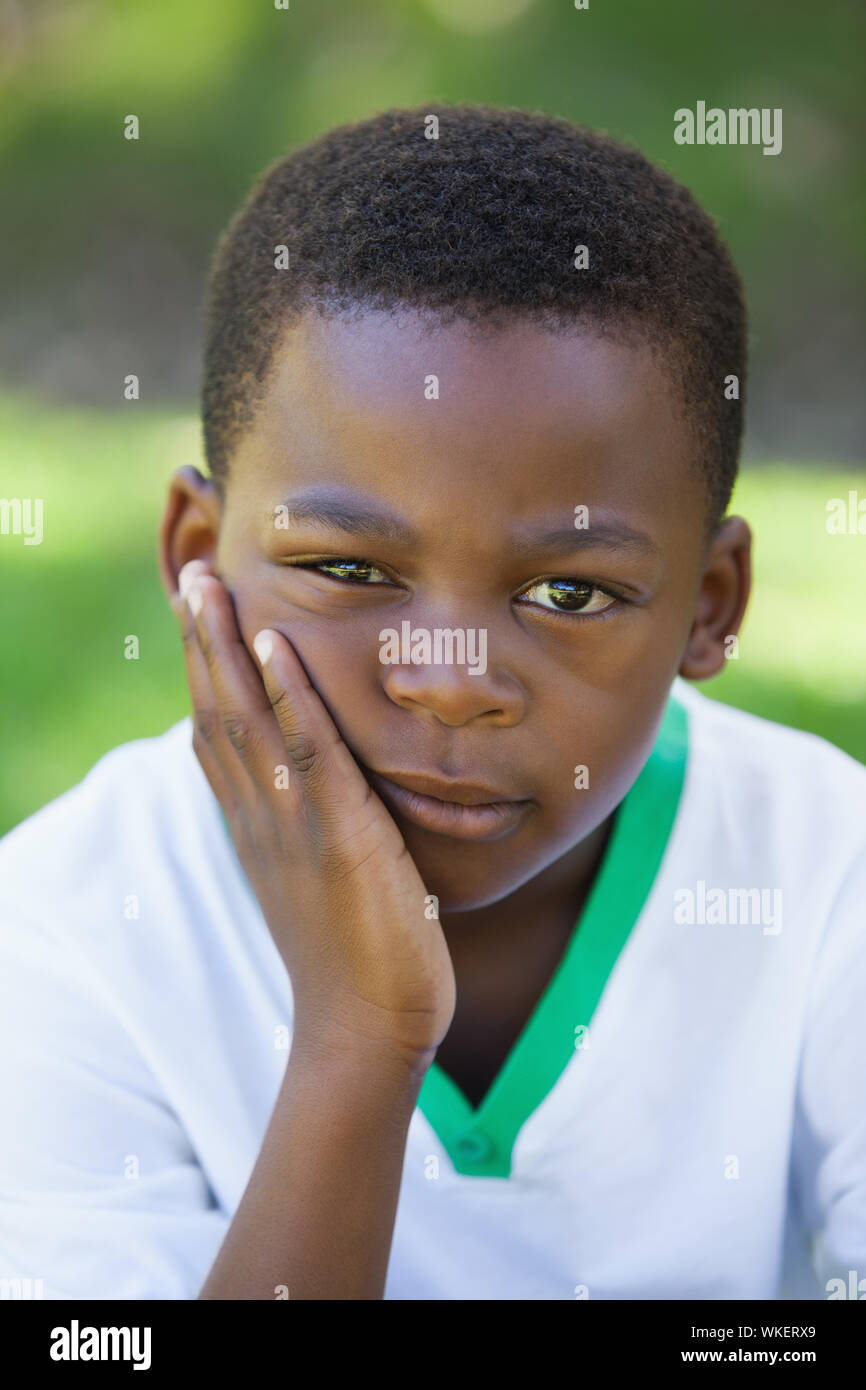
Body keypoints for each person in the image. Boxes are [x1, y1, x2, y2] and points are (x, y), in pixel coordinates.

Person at [1, 105, 864, 1301]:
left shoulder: (827, 870)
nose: (452, 677)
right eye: (349, 571)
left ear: (710, 606)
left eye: (568, 589)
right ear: (195, 554)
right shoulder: (63, 927)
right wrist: (359, 1038)